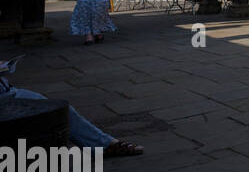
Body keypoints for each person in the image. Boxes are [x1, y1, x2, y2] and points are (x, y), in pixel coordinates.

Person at [0, 58, 143, 155]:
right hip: (6, 96)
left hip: (6, 90)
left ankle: (101, 144)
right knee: (58, 111)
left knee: (58, 111)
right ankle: (101, 145)